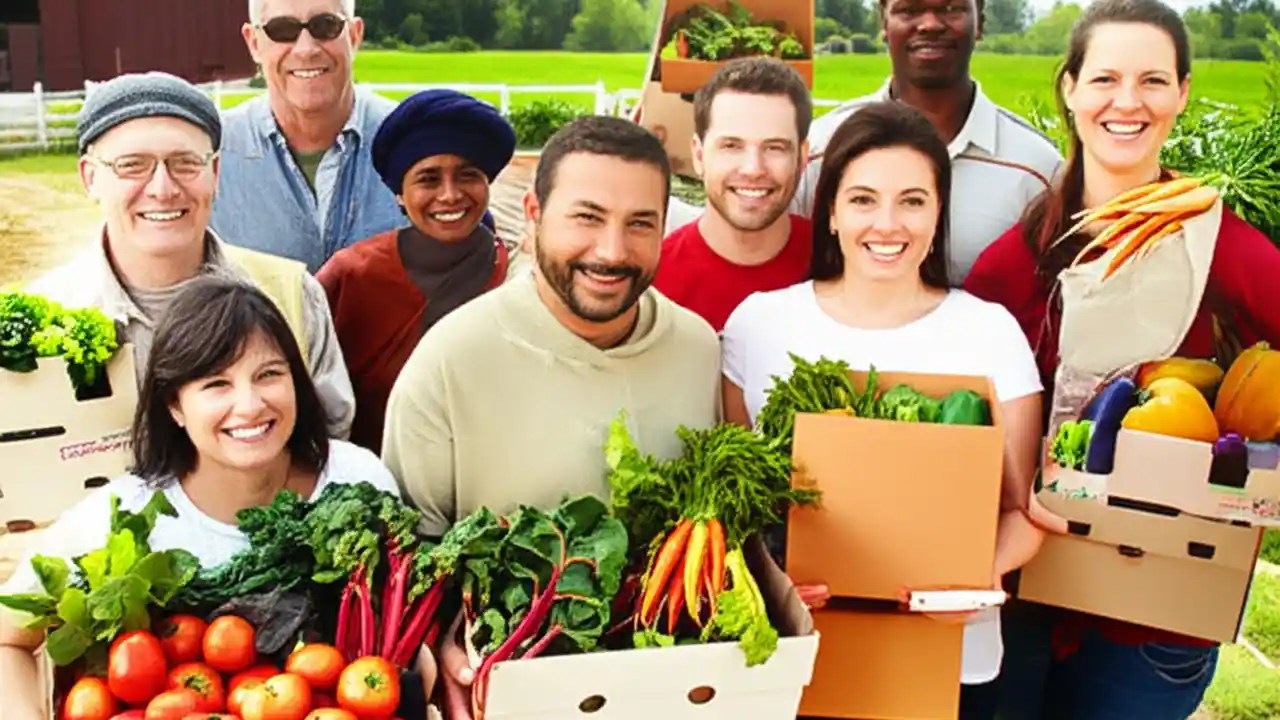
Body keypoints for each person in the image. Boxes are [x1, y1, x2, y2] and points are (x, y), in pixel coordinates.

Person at [964, 0, 1280, 717]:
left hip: (1154, 607)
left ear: (1183, 94)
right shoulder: (1013, 264)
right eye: (1105, 78)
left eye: (1153, 81)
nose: (1128, 102)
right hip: (1020, 594)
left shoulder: (1213, 244)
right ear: (1069, 88)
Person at [381, 115, 722, 719]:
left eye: (639, 223)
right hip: (510, 691)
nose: (612, 252)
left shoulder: (697, 349)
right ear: (534, 214)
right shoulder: (452, 359)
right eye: (586, 218)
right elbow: (411, 554)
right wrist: (441, 645)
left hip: (673, 689)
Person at [720, 101, 1050, 719]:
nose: (888, 224)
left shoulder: (987, 333)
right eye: (864, 199)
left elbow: (1023, 510)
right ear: (833, 213)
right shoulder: (760, 325)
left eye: (913, 201)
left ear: (938, 212)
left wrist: (976, 575)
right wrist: (773, 579)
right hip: (792, 650)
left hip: (947, 655)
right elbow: (737, 507)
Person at [0, 276, 399, 720]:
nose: (249, 405)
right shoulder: (127, 518)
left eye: (269, 374)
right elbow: (6, 640)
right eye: (216, 384)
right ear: (174, 405)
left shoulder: (358, 480)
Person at [26, 71, 355, 440]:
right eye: (132, 165)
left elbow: (329, 445)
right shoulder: (43, 315)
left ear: (214, 172)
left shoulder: (291, 295)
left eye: (185, 163)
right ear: (89, 178)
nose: (163, 189)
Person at [791, 0, 1063, 285]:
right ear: (883, 23)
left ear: (979, 22)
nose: (930, 24)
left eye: (950, 9)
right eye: (909, 10)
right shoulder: (822, 149)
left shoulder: (1037, 168)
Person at [316, 89, 517, 453]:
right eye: (428, 179)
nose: (450, 194)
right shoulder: (351, 276)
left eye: (467, 175)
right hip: (368, 487)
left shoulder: (514, 277)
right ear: (398, 193)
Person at [211, 0, 404, 273]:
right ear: (254, 43)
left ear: (354, 35)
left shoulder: (413, 141)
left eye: (326, 26)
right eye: (282, 29)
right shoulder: (211, 155)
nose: (306, 49)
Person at [653, 57, 814, 334]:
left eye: (774, 147)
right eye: (731, 146)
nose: (753, 169)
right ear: (699, 155)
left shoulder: (838, 262)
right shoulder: (654, 284)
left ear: (802, 157)